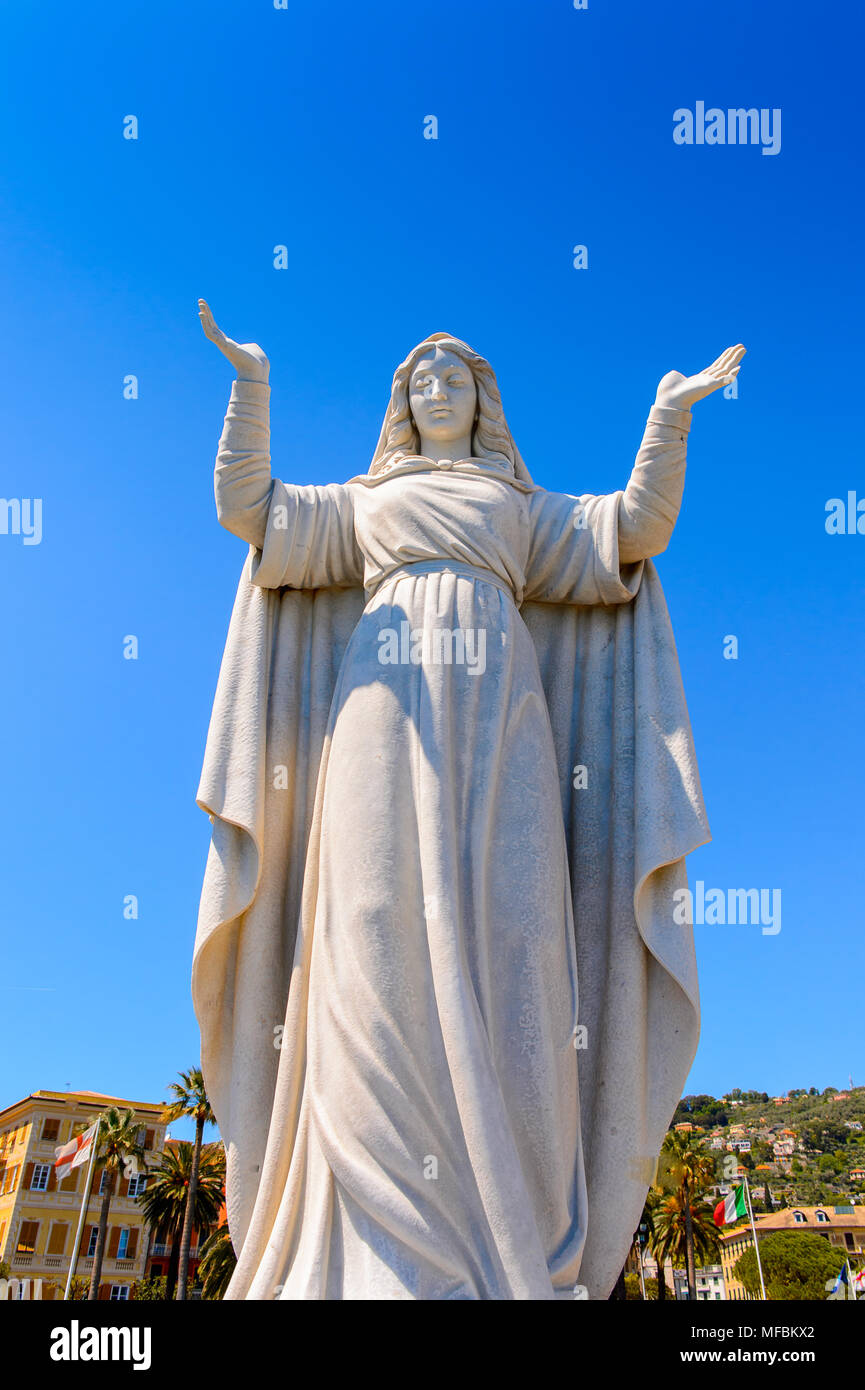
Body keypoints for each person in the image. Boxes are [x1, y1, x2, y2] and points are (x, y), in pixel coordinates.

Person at [193, 302, 743, 1299]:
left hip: (503, 720)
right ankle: (364, 1239)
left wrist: (669, 415)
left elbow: (629, 528)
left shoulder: (521, 514)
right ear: (400, 404)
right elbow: (252, 511)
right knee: (366, 923)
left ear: (482, 401)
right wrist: (253, 383)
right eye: (418, 379)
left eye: (453, 377)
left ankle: (508, 1224)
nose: (435, 387)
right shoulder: (360, 507)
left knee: (516, 941)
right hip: (382, 705)